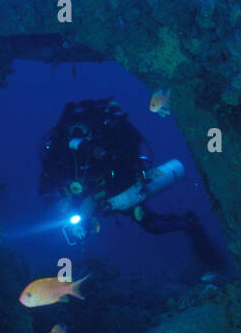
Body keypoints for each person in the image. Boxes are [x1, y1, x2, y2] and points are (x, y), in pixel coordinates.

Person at [38, 99, 218, 263]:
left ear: (91, 125)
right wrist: (54, 198)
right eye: (72, 128)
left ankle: (190, 226)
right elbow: (46, 178)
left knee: (152, 225)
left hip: (117, 192)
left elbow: (127, 169)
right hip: (85, 198)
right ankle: (82, 271)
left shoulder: (110, 140)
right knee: (76, 232)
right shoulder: (58, 149)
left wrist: (98, 195)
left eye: (82, 127)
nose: (77, 132)